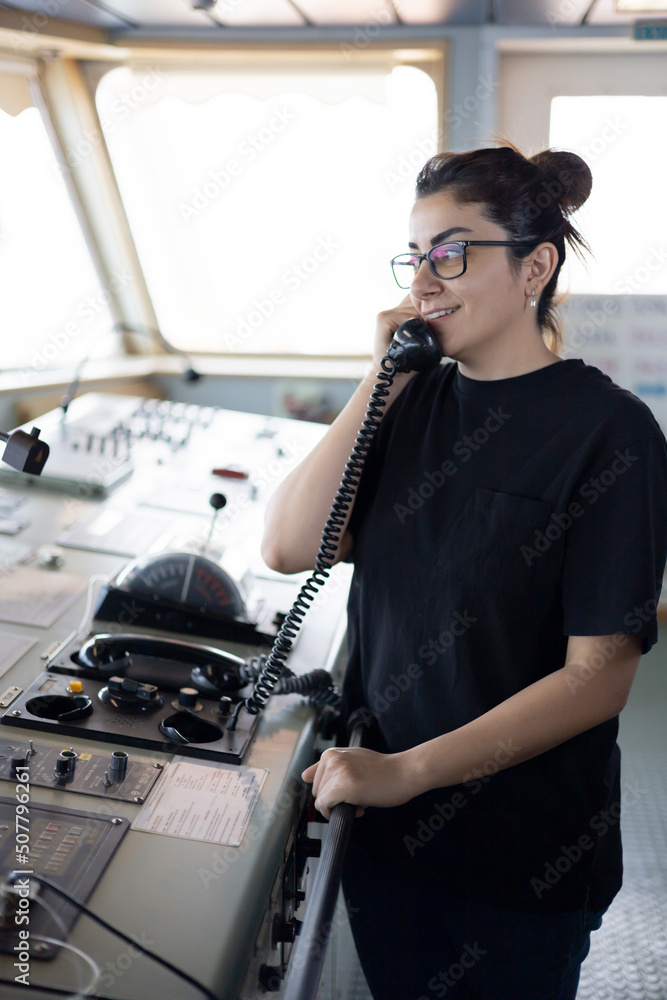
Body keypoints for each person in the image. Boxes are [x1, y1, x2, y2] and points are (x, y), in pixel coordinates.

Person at [261, 144, 667, 1000]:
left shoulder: (610, 432)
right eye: (413, 257)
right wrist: (379, 378)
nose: (422, 281)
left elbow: (597, 677)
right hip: (385, 834)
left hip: (515, 860)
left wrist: (409, 771)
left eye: (449, 254)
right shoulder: (409, 399)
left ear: (534, 267)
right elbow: (287, 547)